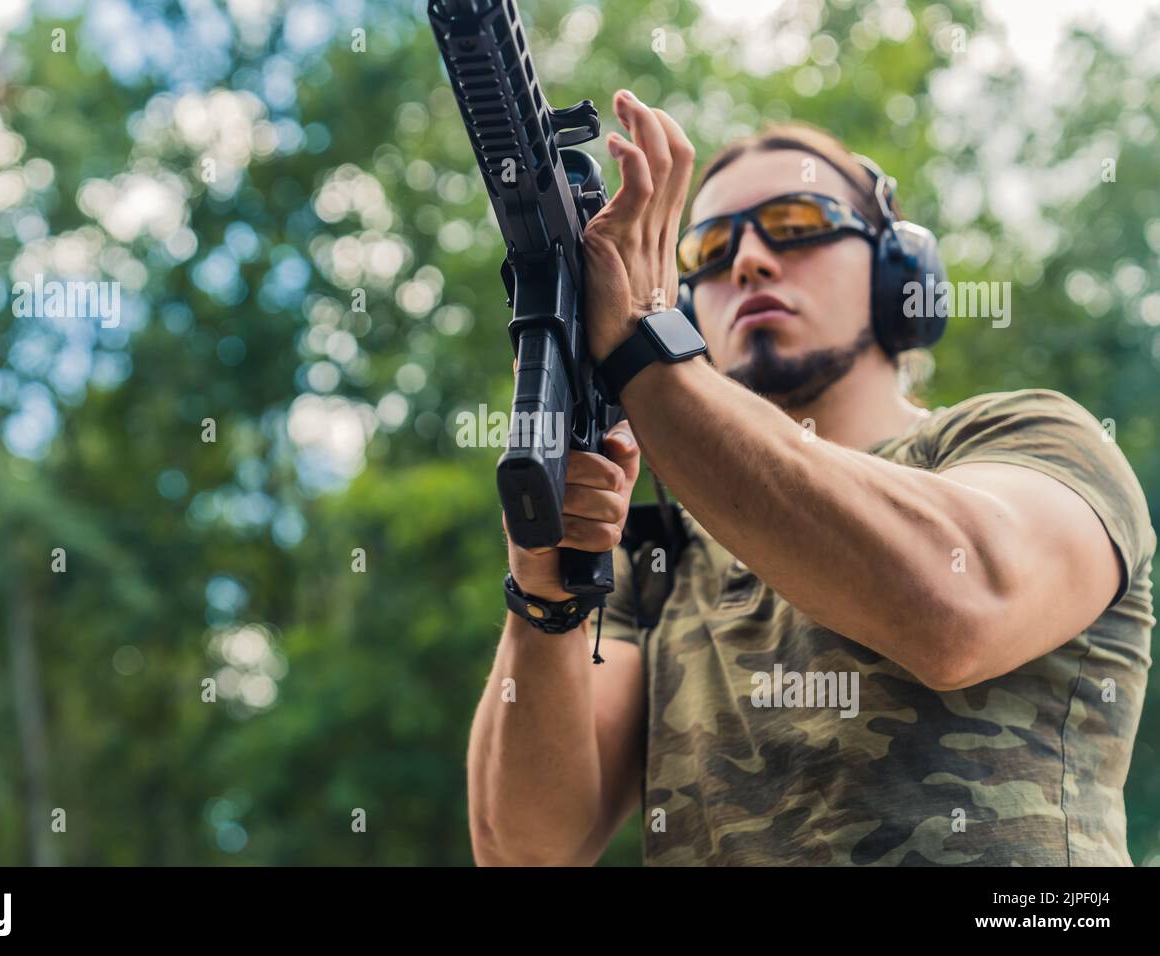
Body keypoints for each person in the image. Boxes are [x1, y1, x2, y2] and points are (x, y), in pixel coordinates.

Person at [466, 89, 1156, 866]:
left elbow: (959, 612)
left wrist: (639, 355)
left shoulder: (1030, 436)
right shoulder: (659, 554)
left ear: (899, 269)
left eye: (798, 226)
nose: (751, 259)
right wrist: (544, 589)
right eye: (710, 251)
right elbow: (526, 849)